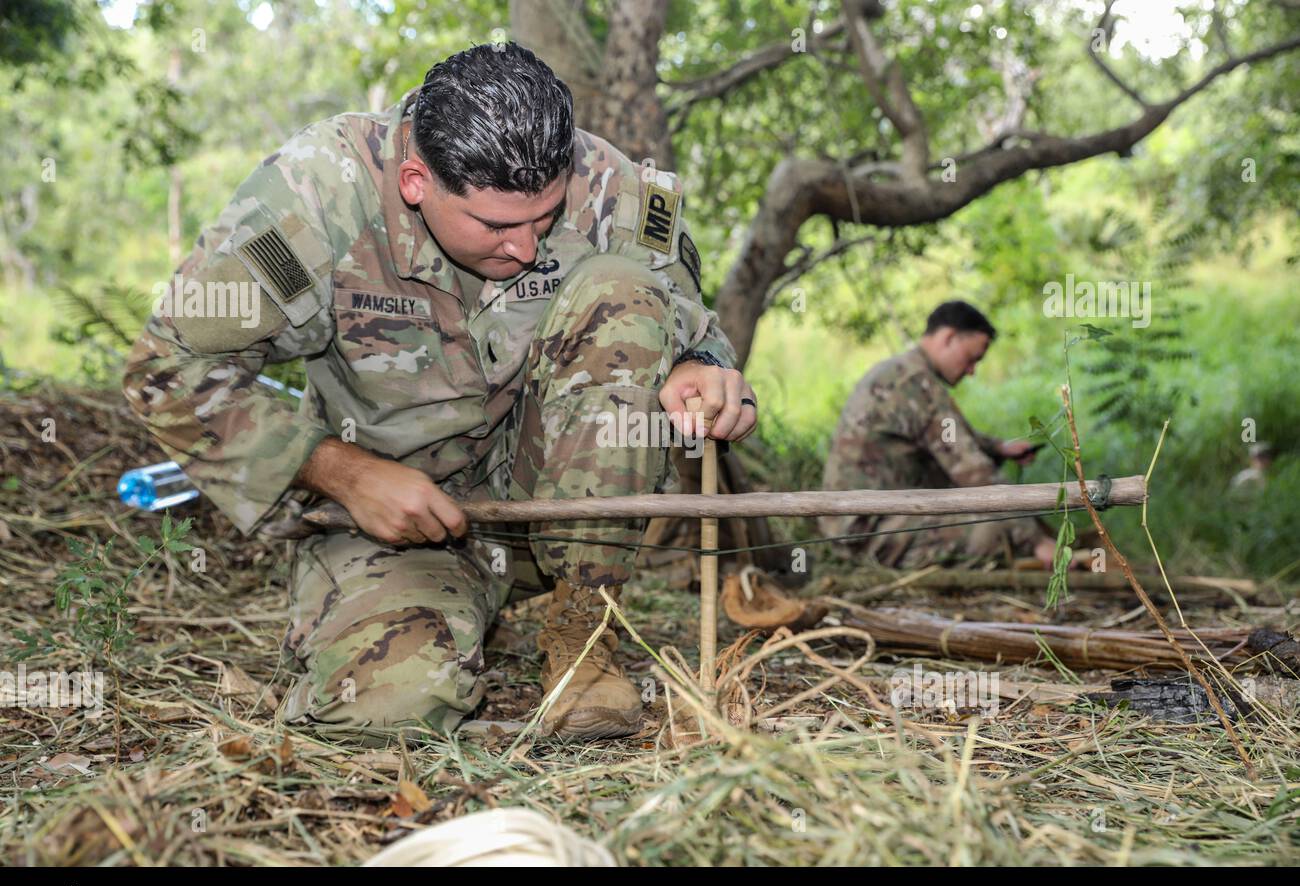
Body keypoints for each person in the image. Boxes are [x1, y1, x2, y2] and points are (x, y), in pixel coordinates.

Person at [123, 43, 758, 742]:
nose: (526, 247)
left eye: (543, 219)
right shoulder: (318, 196)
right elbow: (167, 368)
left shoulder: (608, 184)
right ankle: (422, 615)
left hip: (565, 508)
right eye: (494, 226)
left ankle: (582, 635)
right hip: (391, 524)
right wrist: (344, 473)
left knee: (623, 292)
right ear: (417, 181)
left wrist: (702, 370)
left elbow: (692, 326)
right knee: (386, 712)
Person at [819, 300, 1067, 569]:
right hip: (868, 531)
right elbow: (975, 474)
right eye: (971, 359)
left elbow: (949, 437)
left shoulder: (902, 372)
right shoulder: (917, 384)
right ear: (948, 337)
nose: (971, 371)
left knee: (1005, 519)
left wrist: (998, 448)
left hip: (859, 520)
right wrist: (1035, 541)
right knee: (993, 531)